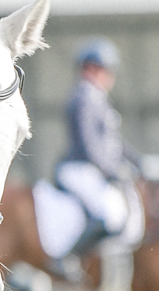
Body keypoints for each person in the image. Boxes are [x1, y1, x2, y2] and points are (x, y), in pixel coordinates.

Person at [52, 39, 141, 277]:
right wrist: (111, 170)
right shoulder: (83, 98)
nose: (110, 76)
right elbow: (88, 143)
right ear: (89, 69)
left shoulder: (98, 99)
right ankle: (67, 257)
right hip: (80, 167)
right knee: (109, 214)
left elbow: (114, 141)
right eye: (105, 70)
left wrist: (137, 160)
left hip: (94, 168)